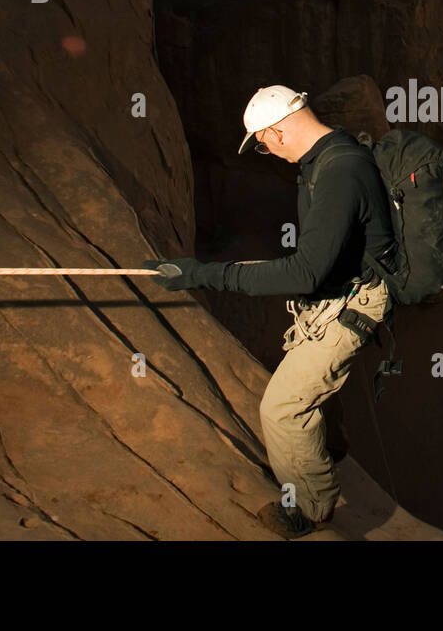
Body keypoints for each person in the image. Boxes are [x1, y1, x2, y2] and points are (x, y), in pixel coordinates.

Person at [144, 85, 396, 539]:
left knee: (282, 410)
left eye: (261, 142)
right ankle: (331, 450)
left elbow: (303, 274)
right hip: (341, 289)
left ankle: (311, 506)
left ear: (277, 132)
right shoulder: (328, 156)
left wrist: (202, 274)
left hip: (354, 302)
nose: (264, 150)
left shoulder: (339, 172)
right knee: (308, 381)